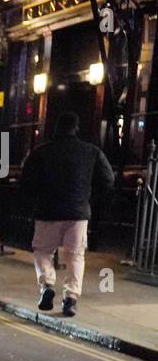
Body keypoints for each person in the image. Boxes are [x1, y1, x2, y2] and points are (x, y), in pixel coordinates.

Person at [19, 111, 113, 318]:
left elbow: (27, 183)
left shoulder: (40, 152)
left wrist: (37, 196)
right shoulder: (92, 151)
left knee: (42, 251)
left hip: (47, 211)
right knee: (75, 255)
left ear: (55, 128)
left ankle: (47, 285)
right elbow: (108, 180)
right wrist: (88, 195)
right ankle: (70, 299)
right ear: (76, 128)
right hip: (78, 212)